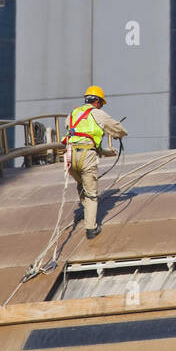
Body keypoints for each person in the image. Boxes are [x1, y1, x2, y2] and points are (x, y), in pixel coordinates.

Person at [62, 85, 127, 240]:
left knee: (81, 185)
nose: (101, 106)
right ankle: (91, 229)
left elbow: (80, 137)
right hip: (87, 157)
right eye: (101, 103)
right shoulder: (98, 114)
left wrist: (105, 152)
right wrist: (120, 135)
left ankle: (86, 212)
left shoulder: (72, 114)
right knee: (91, 193)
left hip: (71, 157)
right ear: (97, 101)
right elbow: (118, 129)